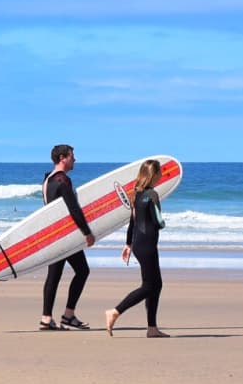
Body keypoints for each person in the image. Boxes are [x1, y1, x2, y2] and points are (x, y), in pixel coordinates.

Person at [106, 159, 169, 338]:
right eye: (160, 173)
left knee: (154, 285)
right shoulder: (152, 195)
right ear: (154, 175)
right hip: (148, 244)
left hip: (138, 244)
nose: (161, 176)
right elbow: (158, 221)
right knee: (151, 286)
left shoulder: (136, 194)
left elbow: (132, 222)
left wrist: (128, 244)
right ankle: (115, 311)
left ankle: (152, 328)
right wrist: (162, 223)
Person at [38, 143, 96, 330]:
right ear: (63, 158)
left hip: (53, 234)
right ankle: (68, 315)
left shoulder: (48, 179)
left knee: (54, 276)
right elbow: (73, 209)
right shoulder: (63, 180)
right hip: (64, 236)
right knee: (82, 271)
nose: (75, 159)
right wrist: (87, 232)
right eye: (72, 156)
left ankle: (46, 318)